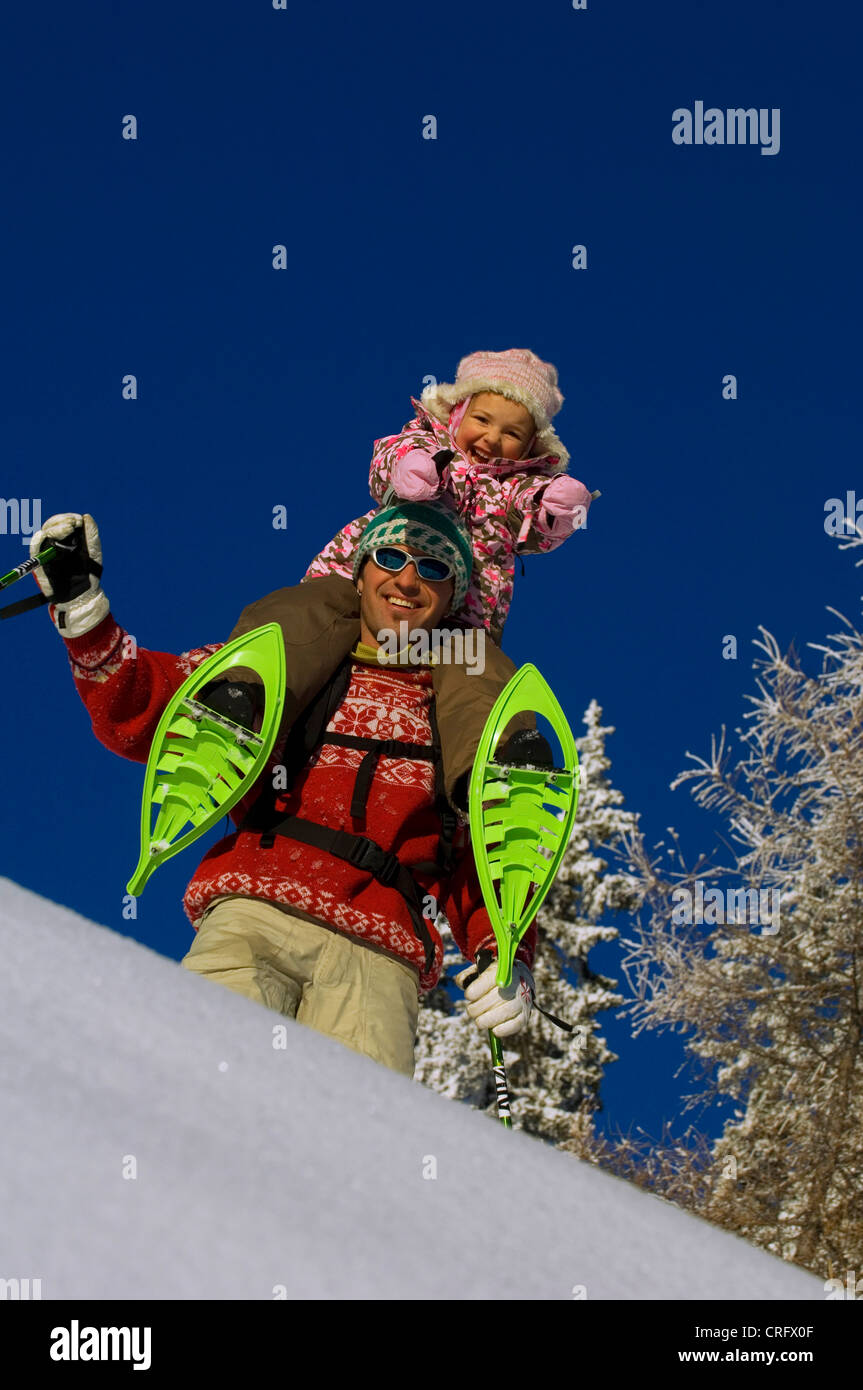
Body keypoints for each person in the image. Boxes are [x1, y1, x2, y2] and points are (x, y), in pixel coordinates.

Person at [28, 501, 540, 1078]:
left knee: (355, 1149)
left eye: (434, 570)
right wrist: (82, 610)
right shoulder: (283, 669)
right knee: (195, 1082)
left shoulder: (460, 718)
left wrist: (507, 956)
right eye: (391, 557)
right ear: (360, 571)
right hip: (254, 916)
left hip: (379, 958)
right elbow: (149, 708)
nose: (406, 580)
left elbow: (490, 852)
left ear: (453, 597)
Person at [303, 347, 595, 644]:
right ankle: (263, 668)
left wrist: (555, 505)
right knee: (313, 611)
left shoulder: (515, 487)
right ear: (457, 413)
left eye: (512, 434)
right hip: (377, 562)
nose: (492, 438)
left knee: (474, 667)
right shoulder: (430, 444)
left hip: (469, 611)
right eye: (482, 420)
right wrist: (413, 468)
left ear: (529, 447)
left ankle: (488, 693)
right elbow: (391, 457)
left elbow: (532, 518)